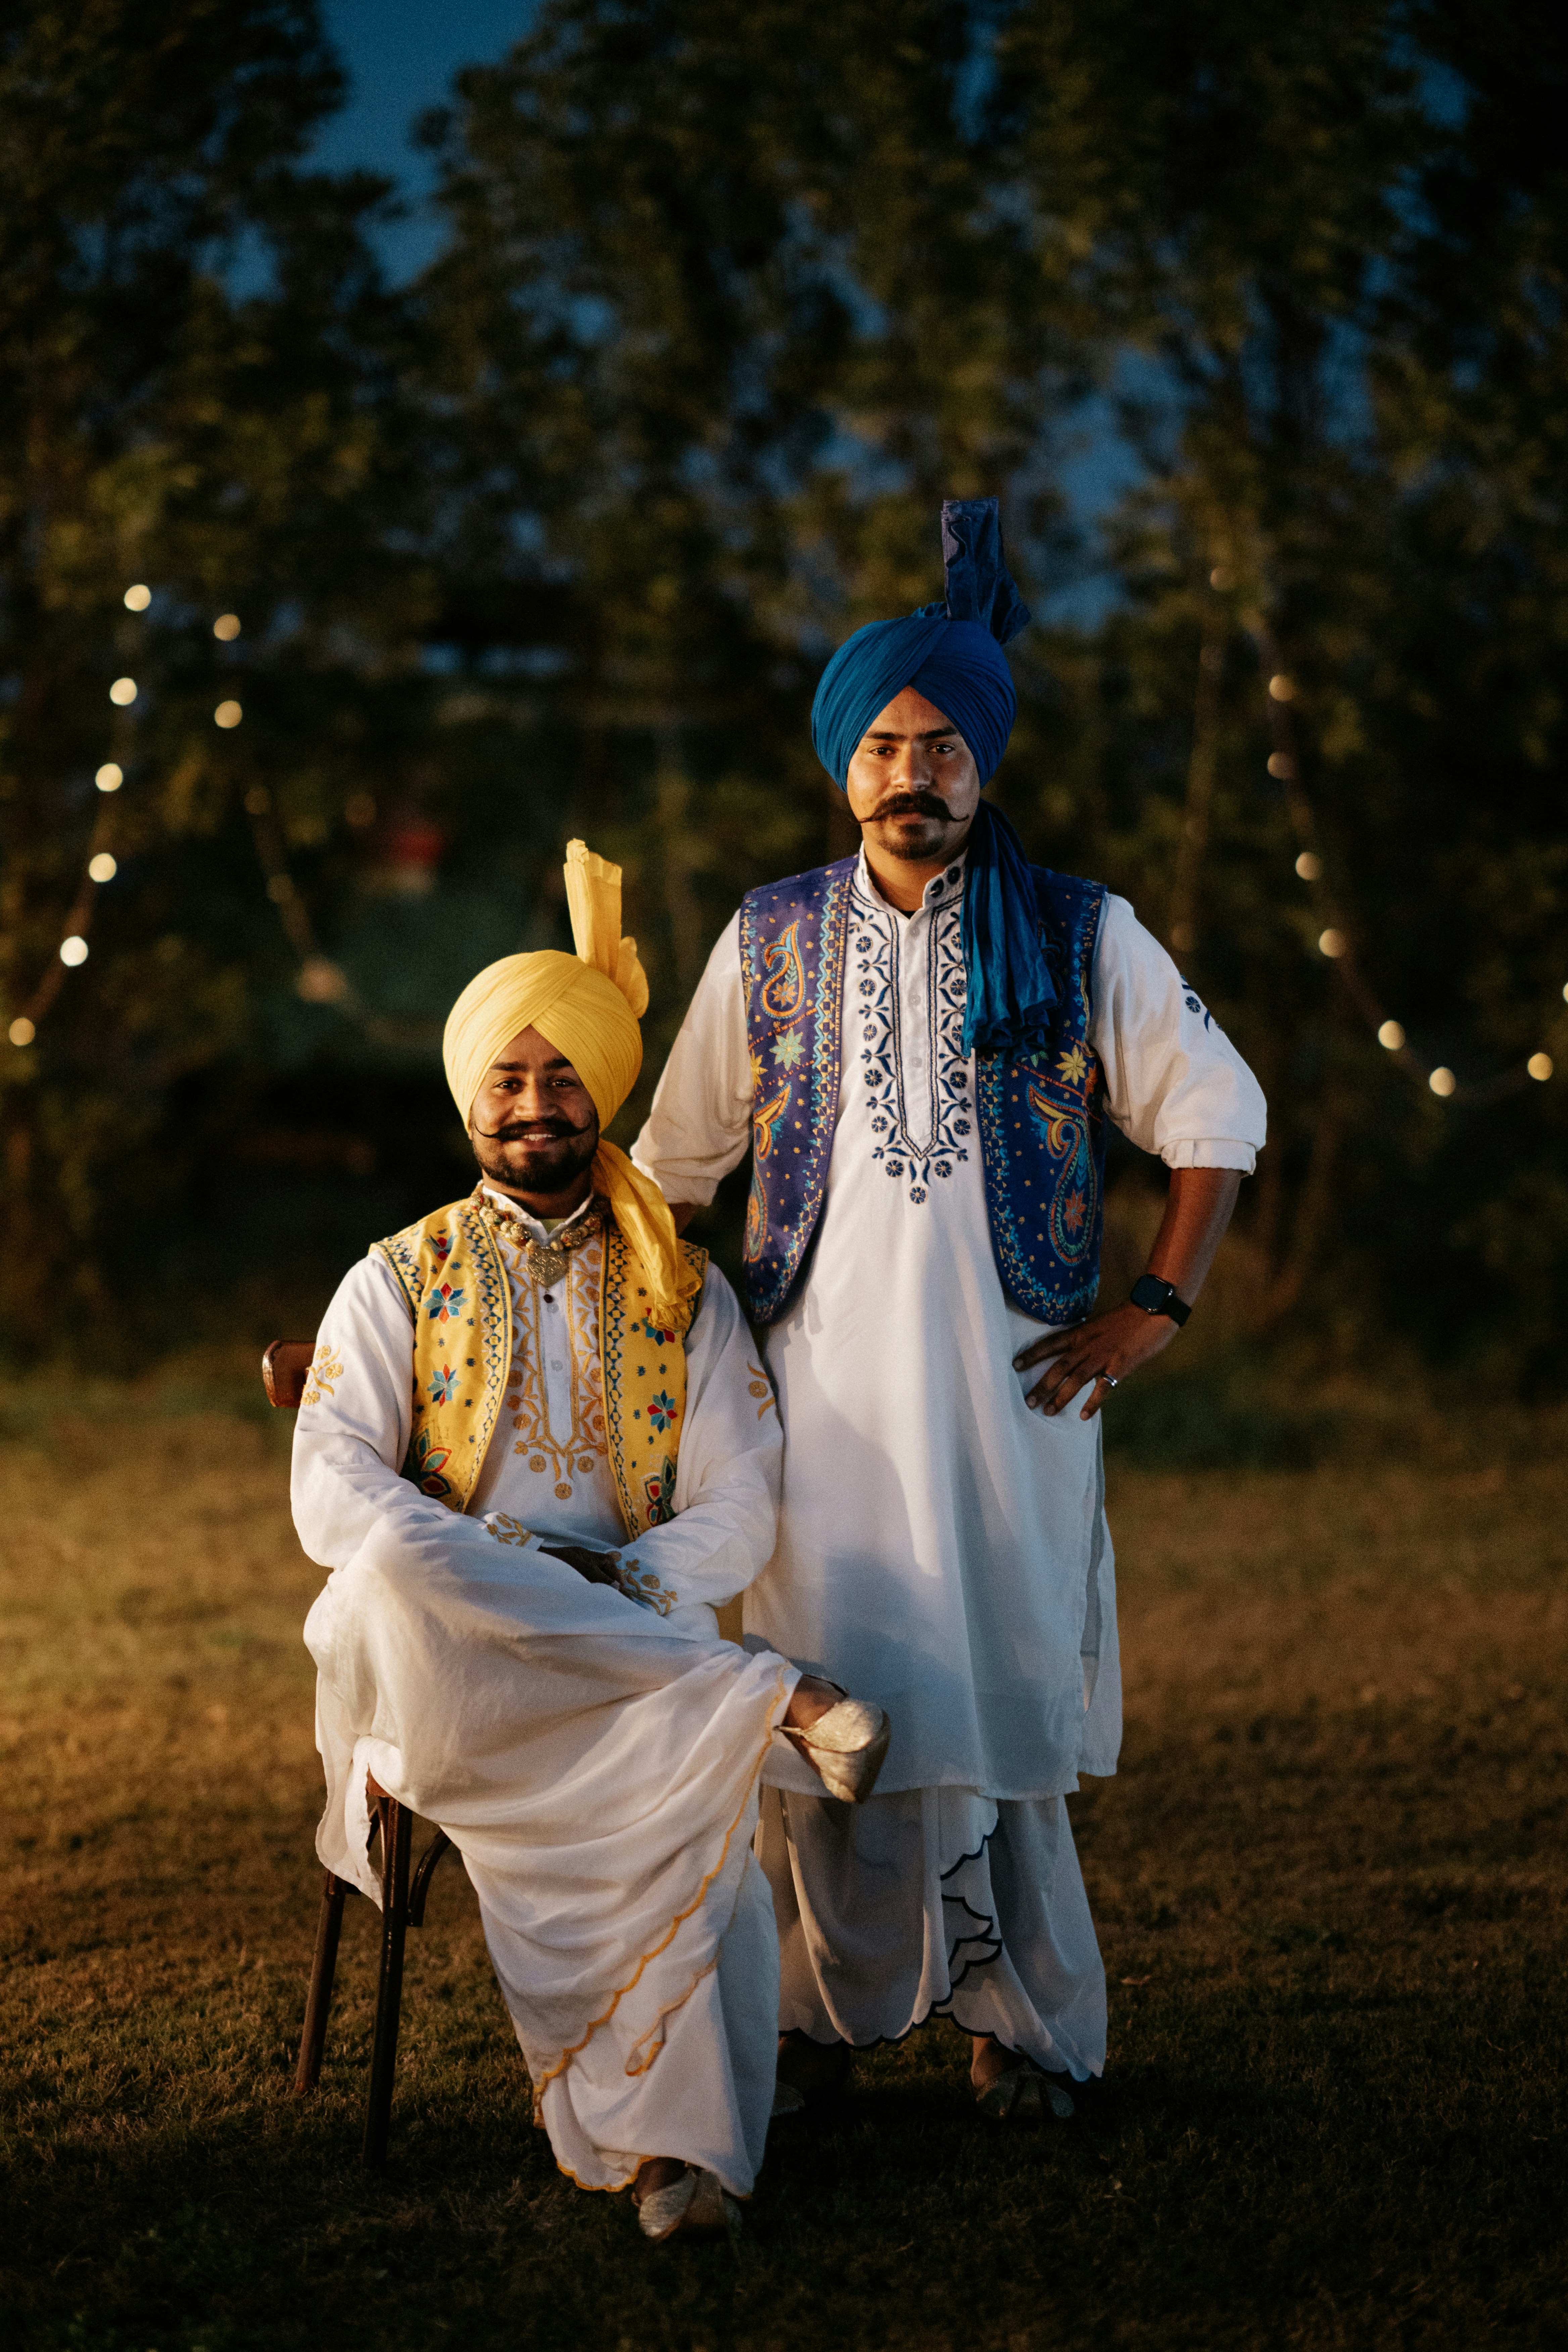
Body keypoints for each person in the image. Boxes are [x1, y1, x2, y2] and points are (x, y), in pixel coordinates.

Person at [633, 502, 1268, 2119]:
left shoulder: (1076, 928)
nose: (913, 776)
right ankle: (816, 2025)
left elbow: (1215, 1117)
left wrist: (1155, 1311)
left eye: (942, 749)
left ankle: (1026, 2033)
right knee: (826, 1711)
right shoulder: (768, 940)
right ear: (844, 766)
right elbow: (672, 1168)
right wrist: (656, 1364)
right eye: (884, 748)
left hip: (1013, 1401)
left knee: (993, 1714)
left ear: (983, 761)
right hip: (815, 1411)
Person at [293, 839, 889, 2240]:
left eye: (563, 1076)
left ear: (604, 1089)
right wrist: (503, 1564)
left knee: (682, 1811)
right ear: (468, 1097)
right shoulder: (398, 1275)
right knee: (391, 1563)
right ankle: (769, 1700)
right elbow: (329, 1489)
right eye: (508, 1078)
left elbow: (743, 1502)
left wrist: (622, 1575)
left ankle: (678, 2158)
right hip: (453, 1665)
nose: (537, 1104)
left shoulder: (682, 1291)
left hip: (625, 1647)